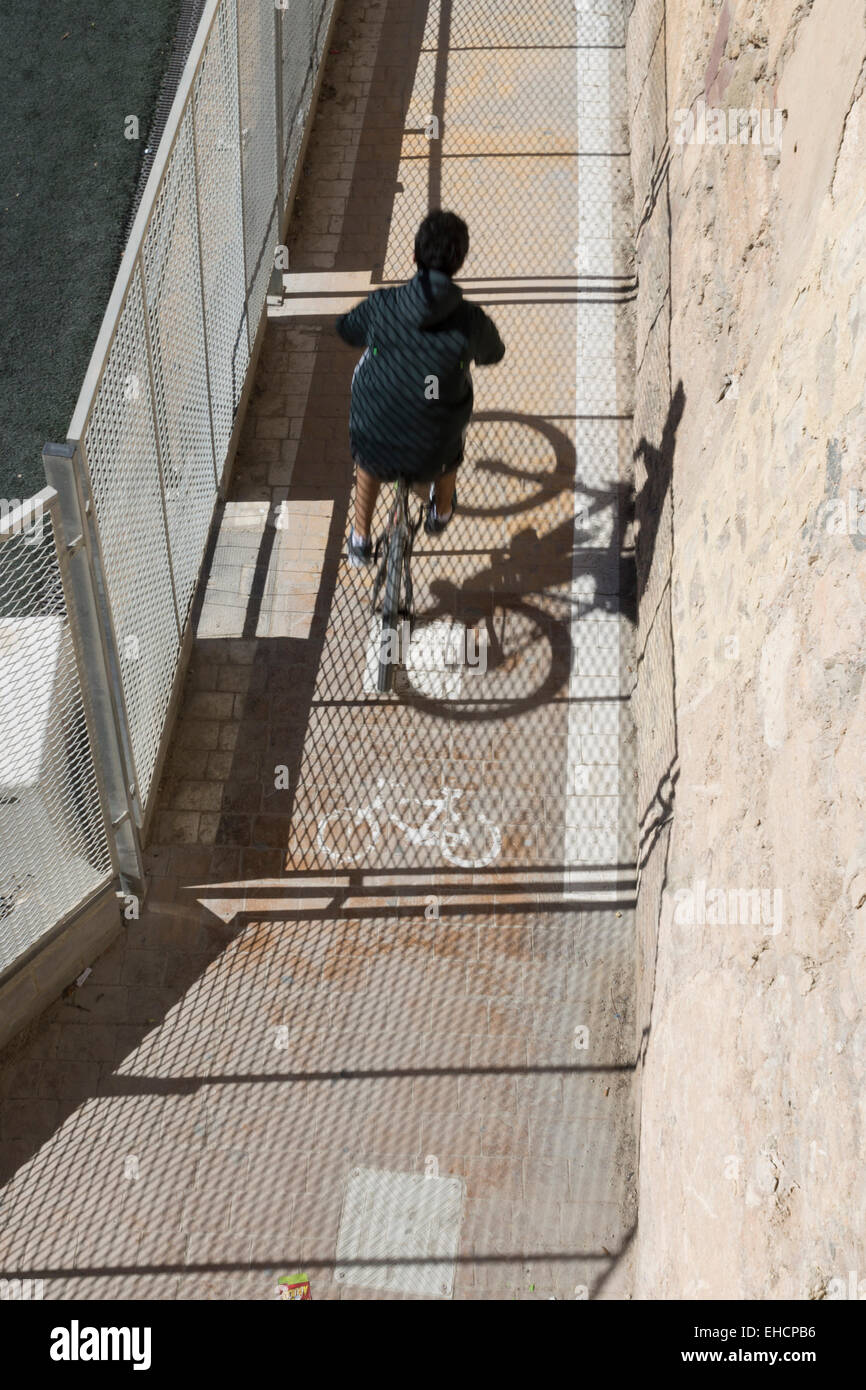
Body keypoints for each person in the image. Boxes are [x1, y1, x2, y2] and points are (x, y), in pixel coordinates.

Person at [335, 209, 506, 566]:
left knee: (367, 457)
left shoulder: (382, 306)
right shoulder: (471, 321)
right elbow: (494, 353)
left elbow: (347, 330)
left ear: (414, 255)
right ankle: (440, 514)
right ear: (459, 263)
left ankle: (360, 541)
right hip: (432, 450)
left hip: (375, 439)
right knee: (450, 443)